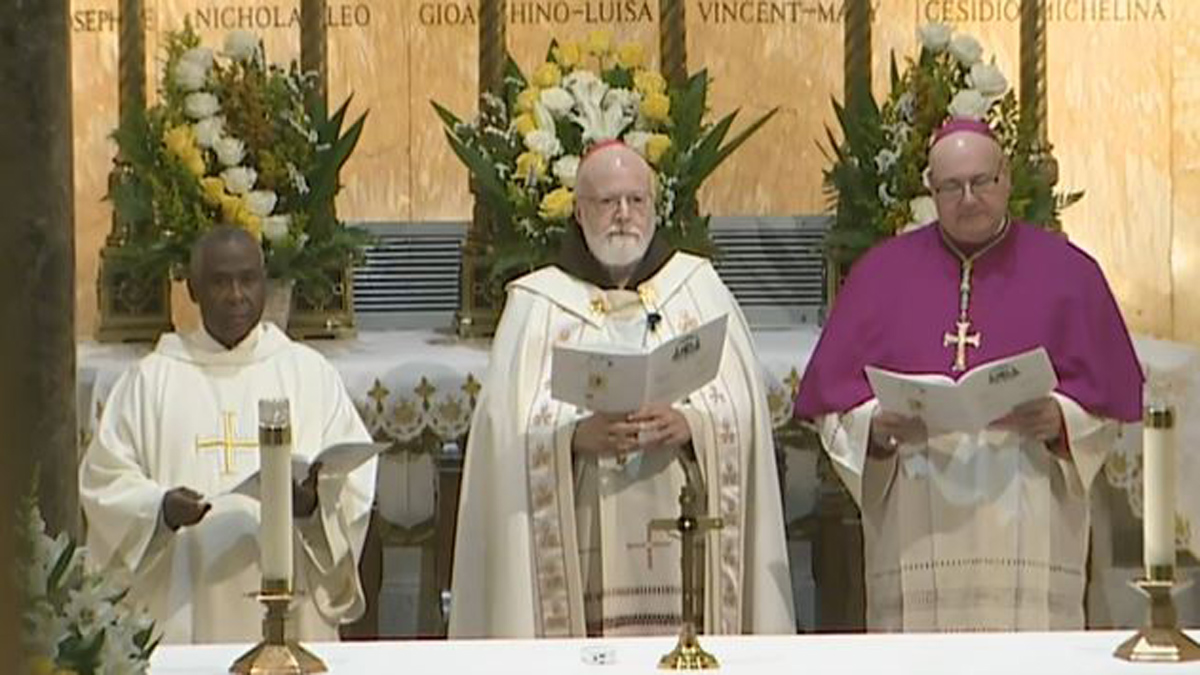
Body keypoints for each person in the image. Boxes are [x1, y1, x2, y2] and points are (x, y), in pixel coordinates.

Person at [794, 118, 1143, 631]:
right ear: (931, 192)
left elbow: (1110, 402)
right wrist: (874, 427)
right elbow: (831, 403)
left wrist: (1062, 419)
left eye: (981, 181)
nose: (968, 198)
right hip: (916, 517)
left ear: (1005, 179)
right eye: (951, 187)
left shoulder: (1070, 273)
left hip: (1028, 505)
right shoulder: (880, 274)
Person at [449, 141, 795, 638]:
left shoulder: (698, 287)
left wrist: (691, 424)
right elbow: (502, 432)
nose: (623, 215)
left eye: (637, 200)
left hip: (682, 521)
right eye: (607, 202)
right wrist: (571, 438)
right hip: (583, 533)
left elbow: (745, 412)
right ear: (578, 210)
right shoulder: (538, 302)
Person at [79, 226, 377, 643]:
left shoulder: (308, 373)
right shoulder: (150, 380)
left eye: (248, 279)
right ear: (194, 289)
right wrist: (160, 510)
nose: (237, 294)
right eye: (220, 282)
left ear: (264, 281)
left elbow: (353, 487)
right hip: (183, 607)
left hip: (290, 610)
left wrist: (314, 507)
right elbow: (104, 481)